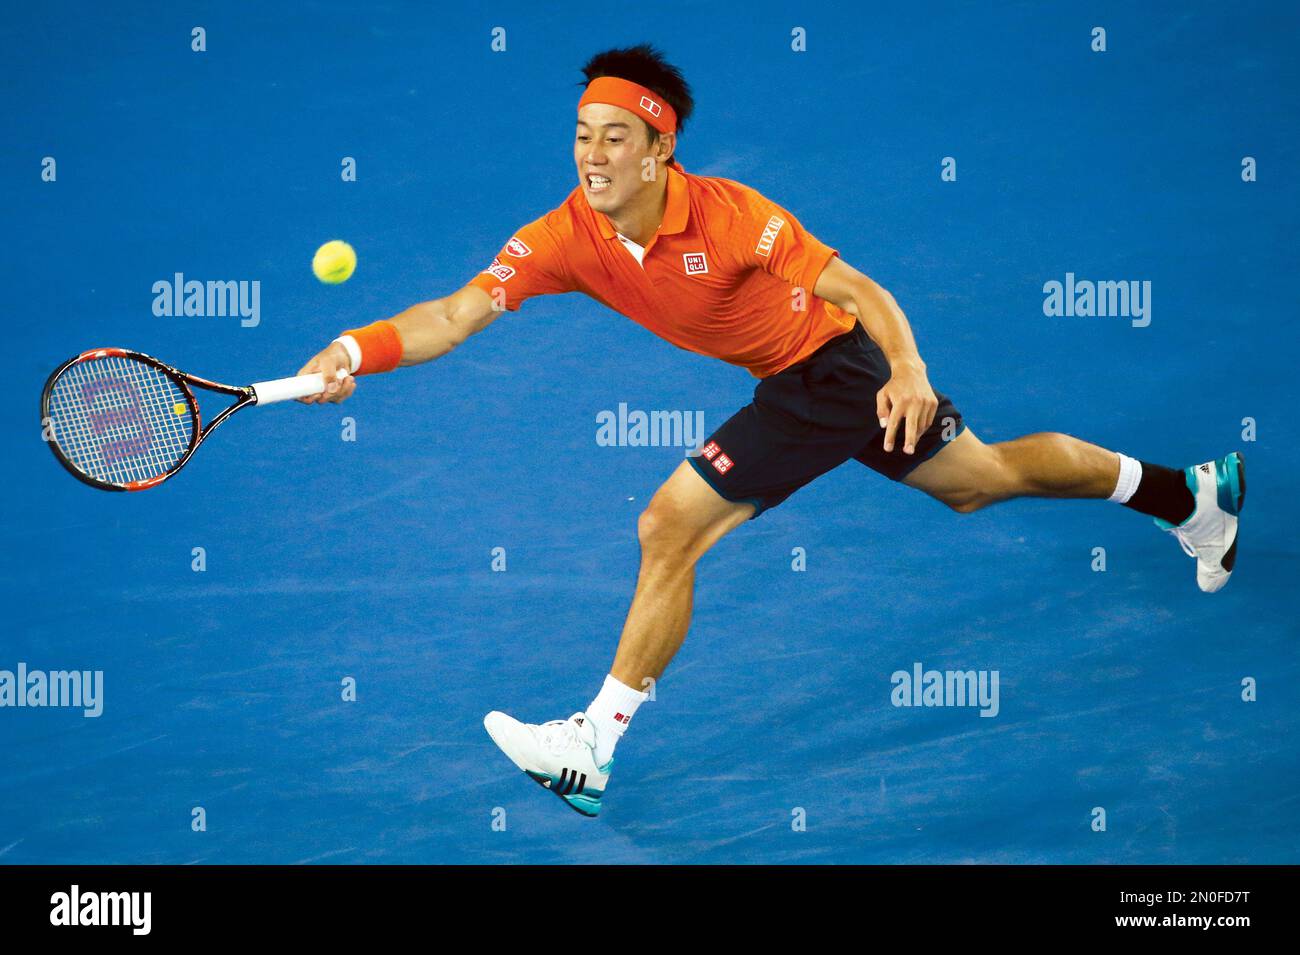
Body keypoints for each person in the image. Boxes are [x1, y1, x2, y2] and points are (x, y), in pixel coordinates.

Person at [294, 45, 1245, 817]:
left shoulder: (735, 217)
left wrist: (907, 367)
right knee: (978, 479)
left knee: (670, 523)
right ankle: (1189, 496)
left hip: (830, 373)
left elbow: (859, 290)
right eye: (582, 134)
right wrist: (351, 349)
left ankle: (592, 743)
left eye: (615, 138)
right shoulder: (564, 236)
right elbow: (455, 314)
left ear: (659, 150)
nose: (592, 155)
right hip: (818, 381)